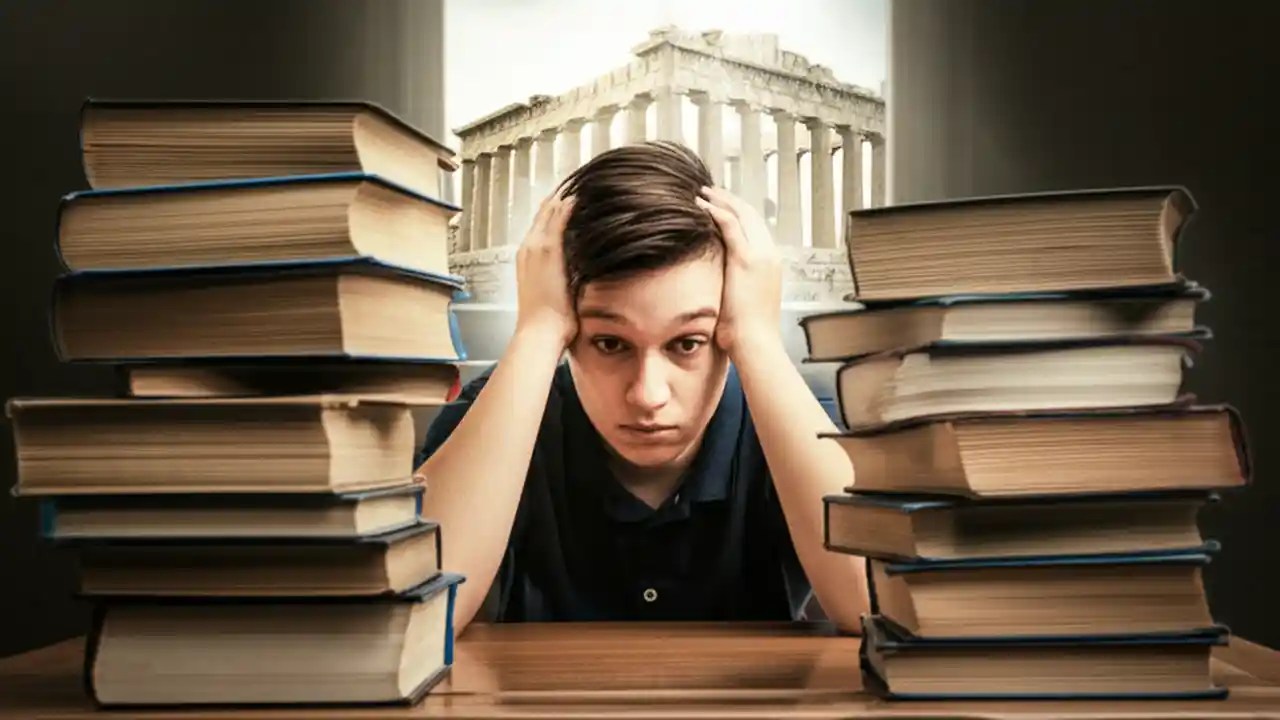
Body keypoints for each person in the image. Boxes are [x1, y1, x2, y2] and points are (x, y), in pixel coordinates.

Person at [415, 141, 868, 634]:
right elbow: (418, 621)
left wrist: (757, 334)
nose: (647, 395)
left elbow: (878, 610)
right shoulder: (491, 415)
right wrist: (538, 328)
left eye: (687, 343)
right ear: (570, 331)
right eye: (610, 343)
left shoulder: (803, 416)